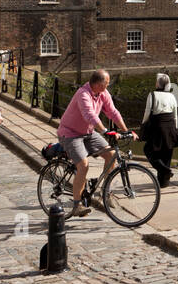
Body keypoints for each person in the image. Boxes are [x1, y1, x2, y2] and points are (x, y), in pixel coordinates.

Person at [56, 69, 131, 217]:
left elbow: (113, 112)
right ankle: (77, 205)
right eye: (106, 83)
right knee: (83, 165)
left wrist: (126, 130)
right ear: (98, 83)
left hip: (88, 133)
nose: (108, 85)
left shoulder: (103, 93)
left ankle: (104, 192)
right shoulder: (83, 94)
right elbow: (89, 115)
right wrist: (104, 131)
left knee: (111, 155)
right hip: (70, 134)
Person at [140, 73, 178, 188]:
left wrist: (143, 124)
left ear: (158, 84)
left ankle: (164, 170)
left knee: (149, 150)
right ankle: (164, 183)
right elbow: (175, 115)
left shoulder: (152, 95)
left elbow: (147, 112)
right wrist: (175, 130)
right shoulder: (172, 96)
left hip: (158, 127)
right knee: (167, 153)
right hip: (170, 127)